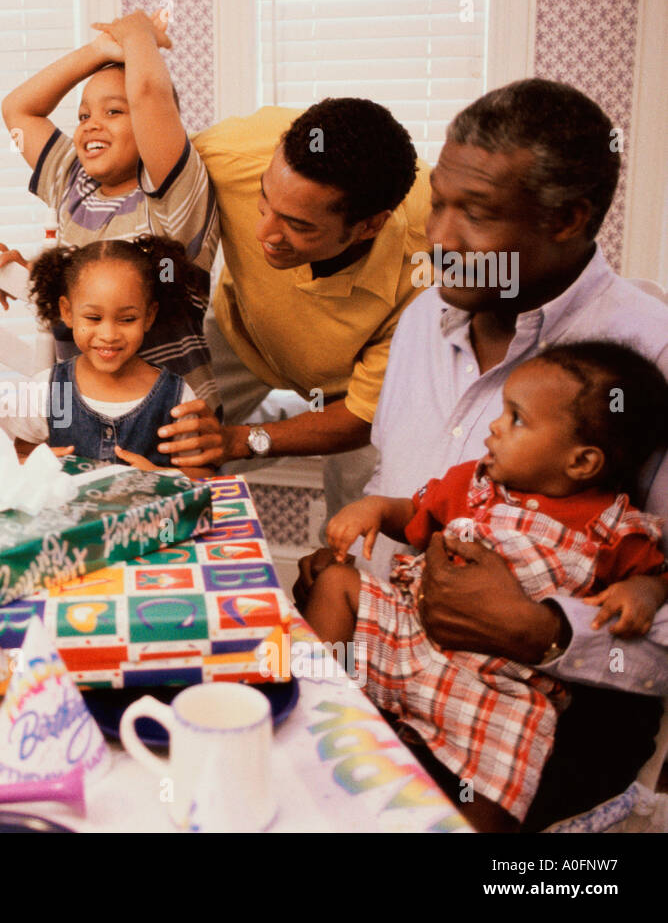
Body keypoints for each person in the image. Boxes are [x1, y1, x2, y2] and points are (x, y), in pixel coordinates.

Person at [295, 78, 668, 831]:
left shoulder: (651, 357)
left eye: (477, 214)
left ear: (568, 217)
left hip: (536, 724)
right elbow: (401, 480)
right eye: (438, 202)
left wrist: (548, 633)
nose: (440, 237)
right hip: (393, 668)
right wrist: (350, 577)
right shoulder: (425, 316)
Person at [304, 344, 668, 831]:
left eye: (516, 419)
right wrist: (375, 510)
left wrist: (644, 591)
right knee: (338, 583)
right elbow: (415, 513)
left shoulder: (616, 528)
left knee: (522, 747)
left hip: (500, 688)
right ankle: (309, 710)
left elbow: (657, 574)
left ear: (582, 462)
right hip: (410, 633)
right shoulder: (473, 485)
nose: (494, 427)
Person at [158, 98, 430, 517]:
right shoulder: (238, 150)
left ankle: (294, 419)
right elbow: (132, 175)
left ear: (370, 226)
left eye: (298, 225)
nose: (263, 232)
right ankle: (288, 413)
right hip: (242, 330)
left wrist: (243, 440)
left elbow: (359, 415)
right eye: (264, 200)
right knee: (160, 439)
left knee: (358, 529)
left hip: (346, 392)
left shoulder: (431, 263)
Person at [0, 9, 222, 411]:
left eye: (113, 111)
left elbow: (149, 94)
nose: (92, 124)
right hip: (85, 417)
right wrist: (98, 51)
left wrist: (137, 33)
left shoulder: (172, 199)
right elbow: (18, 110)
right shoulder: (73, 184)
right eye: (83, 115)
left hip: (173, 423)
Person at [7, 237, 212, 480]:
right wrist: (34, 465)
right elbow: (20, 459)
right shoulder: (46, 390)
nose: (109, 335)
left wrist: (161, 475)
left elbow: (202, 475)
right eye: (93, 318)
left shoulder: (177, 398)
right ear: (67, 312)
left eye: (127, 320)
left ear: (149, 315)